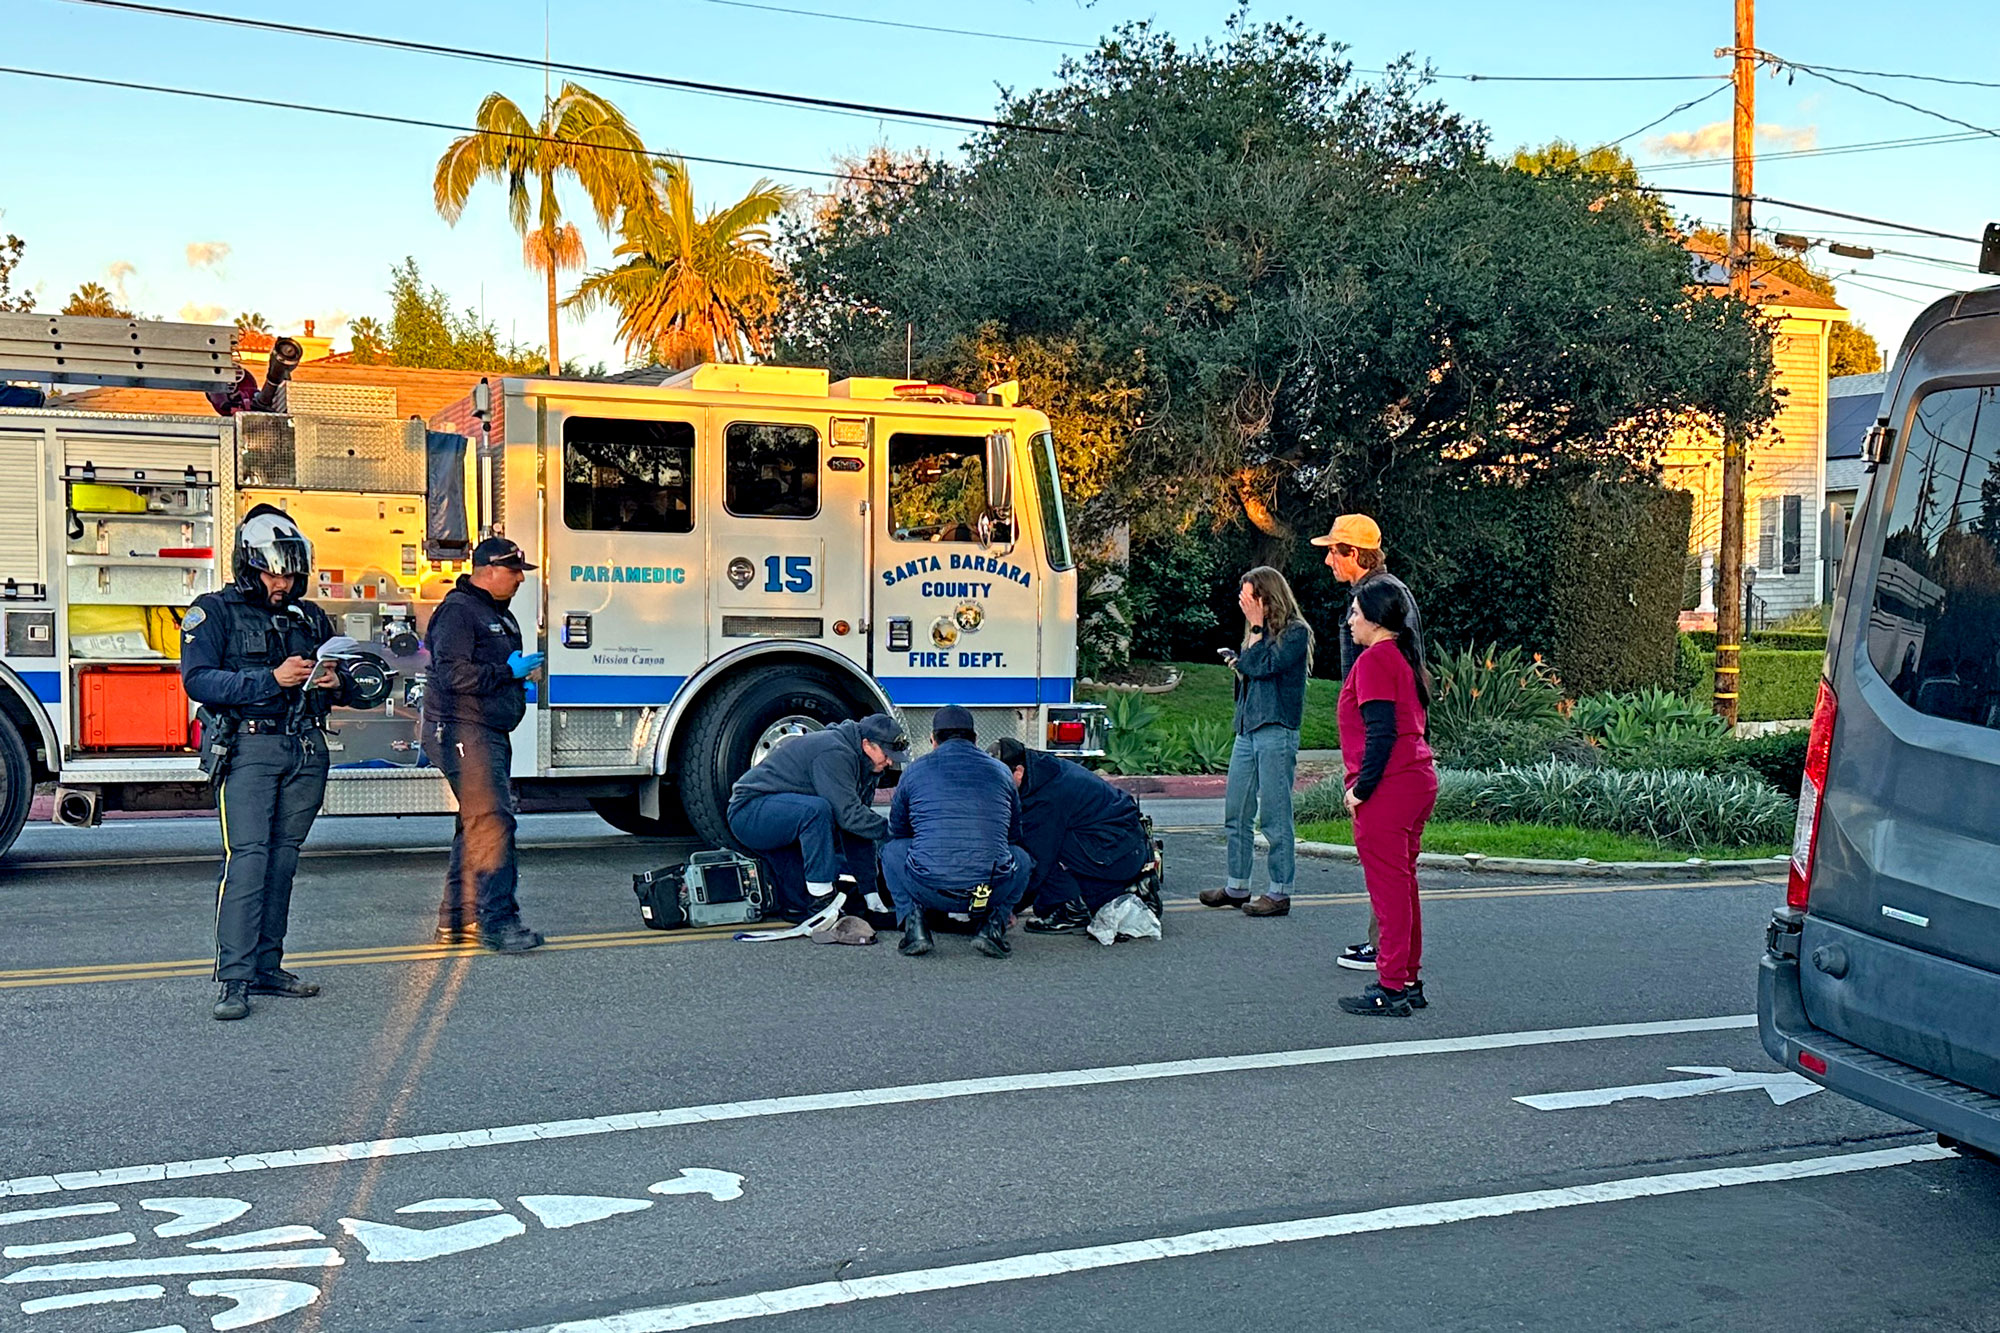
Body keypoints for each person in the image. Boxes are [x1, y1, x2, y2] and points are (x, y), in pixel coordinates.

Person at [182, 504, 350, 1021]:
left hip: (303, 749)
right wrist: (269, 680)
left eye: (290, 571)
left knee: (282, 862)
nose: (283, 581)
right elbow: (198, 679)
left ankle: (267, 967)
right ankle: (234, 980)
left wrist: (335, 680)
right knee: (248, 860)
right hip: (249, 750)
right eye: (274, 571)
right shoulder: (213, 611)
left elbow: (357, 683)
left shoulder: (311, 617)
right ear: (249, 566)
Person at [1312, 513, 1423, 973]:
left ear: (1353, 554)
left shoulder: (1380, 605)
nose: (1327, 561)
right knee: (1396, 874)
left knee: (1390, 874)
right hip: (1398, 763)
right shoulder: (1379, 601)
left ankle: (1390, 965)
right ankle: (1394, 961)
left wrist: (1362, 785)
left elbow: (1383, 721)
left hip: (1388, 767)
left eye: (1333, 551)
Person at [425, 536, 547, 953]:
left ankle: (457, 920)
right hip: (462, 729)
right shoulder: (458, 612)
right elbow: (451, 676)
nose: (519, 580)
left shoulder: (497, 614)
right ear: (489, 570)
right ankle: (498, 921)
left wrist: (517, 676)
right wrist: (505, 672)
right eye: (514, 572)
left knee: (476, 824)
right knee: (493, 822)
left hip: (487, 729)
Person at [1335, 577, 1439, 1017]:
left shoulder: (1376, 660)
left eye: (1356, 613)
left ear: (1376, 620)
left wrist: (1362, 789)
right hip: (1416, 778)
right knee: (1404, 884)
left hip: (1391, 785)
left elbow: (1381, 733)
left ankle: (1391, 985)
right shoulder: (1402, 657)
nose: (1350, 620)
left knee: (1389, 890)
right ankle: (1407, 977)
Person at [1200, 567, 1313, 917]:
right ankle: (1237, 884)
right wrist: (1242, 658)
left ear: (1268, 598)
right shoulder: (1256, 633)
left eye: (1251, 598)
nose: (1246, 606)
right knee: (1236, 811)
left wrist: (1256, 629)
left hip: (1276, 728)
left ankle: (1279, 891)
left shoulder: (1295, 632)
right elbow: (1250, 668)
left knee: (1275, 814)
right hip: (1247, 729)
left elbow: (1265, 666)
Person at [882, 705, 1033, 958]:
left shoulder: (914, 771)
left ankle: (914, 926)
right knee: (1023, 859)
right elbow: (1013, 835)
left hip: (930, 889)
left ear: (933, 740)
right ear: (975, 739)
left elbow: (898, 830)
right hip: (988, 892)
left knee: (891, 851)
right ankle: (993, 926)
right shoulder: (1002, 772)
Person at [727, 713, 908, 921]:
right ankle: (821, 903)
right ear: (867, 744)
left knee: (796, 902)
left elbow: (858, 827)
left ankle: (807, 902)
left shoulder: (869, 767)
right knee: (817, 811)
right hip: (749, 812)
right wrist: (896, 831)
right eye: (885, 754)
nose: (890, 761)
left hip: (789, 817)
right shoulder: (835, 752)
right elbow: (849, 817)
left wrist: (870, 891)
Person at [988, 737, 1152, 934]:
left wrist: (1008, 908)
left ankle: (1071, 910)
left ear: (1019, 772)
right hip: (1120, 844)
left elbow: (1037, 861)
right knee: (1046, 855)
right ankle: (1125, 891)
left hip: (1119, 851)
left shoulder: (1046, 798)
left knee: (1040, 853)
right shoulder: (1041, 771)